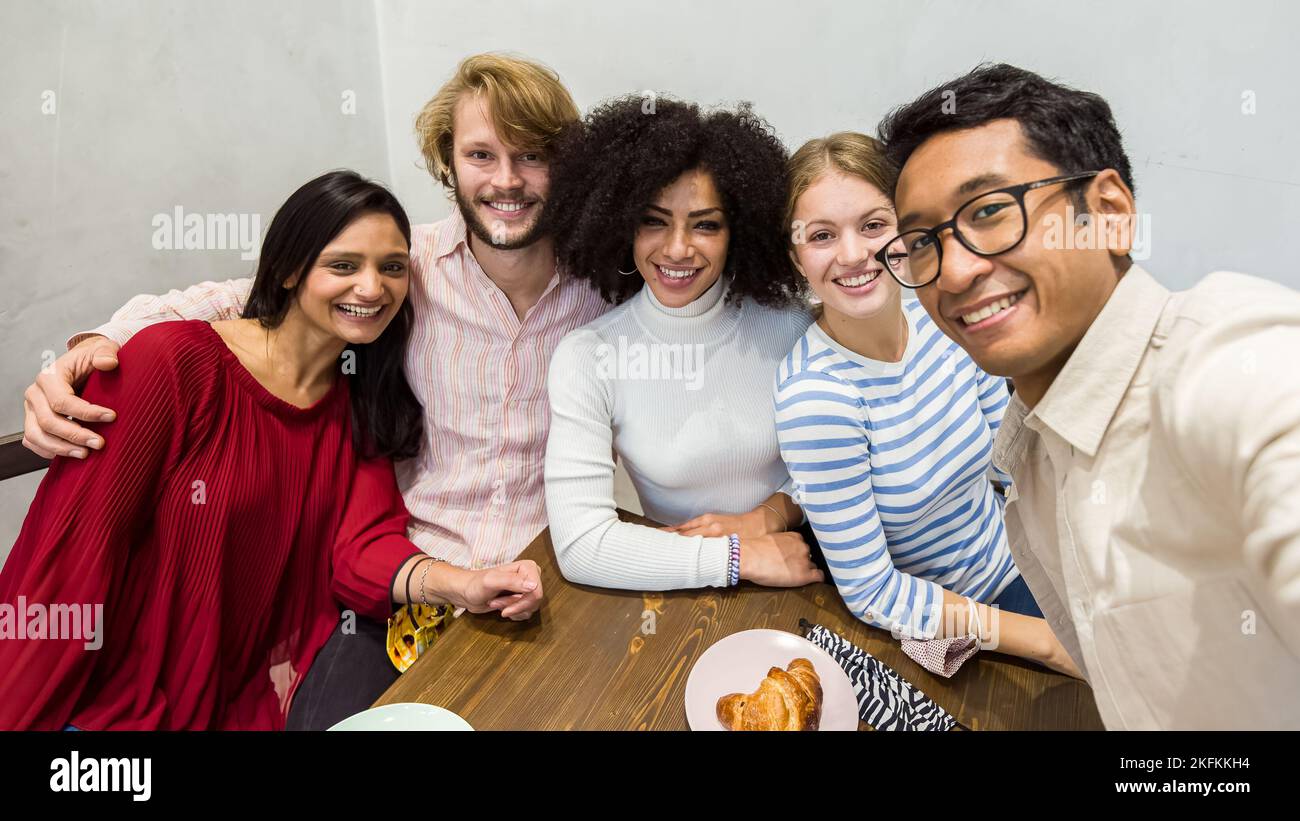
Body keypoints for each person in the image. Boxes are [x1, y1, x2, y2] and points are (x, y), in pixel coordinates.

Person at [17, 53, 604, 728]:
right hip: (394, 588)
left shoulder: (608, 289)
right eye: (481, 154)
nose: (506, 180)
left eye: (532, 155)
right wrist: (97, 341)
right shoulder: (405, 266)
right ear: (449, 162)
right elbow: (253, 292)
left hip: (553, 583)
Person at [876, 63, 1300, 728]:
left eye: (990, 211)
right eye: (923, 241)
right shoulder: (1033, 446)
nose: (954, 271)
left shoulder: (1224, 363)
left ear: (1107, 213)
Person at [775, 132, 1078, 676]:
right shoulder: (815, 398)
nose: (853, 255)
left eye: (873, 225)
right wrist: (1045, 640)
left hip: (1031, 560)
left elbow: (1010, 463)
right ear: (796, 259)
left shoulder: (937, 311)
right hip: (969, 623)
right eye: (822, 236)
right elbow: (873, 590)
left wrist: (1068, 562)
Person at [543, 96, 821, 591]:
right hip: (678, 591)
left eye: (705, 225)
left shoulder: (792, 325)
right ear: (620, 223)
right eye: (654, 220)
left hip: (804, 564)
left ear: (738, 232)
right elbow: (582, 546)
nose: (676, 248)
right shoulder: (588, 356)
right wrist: (735, 556)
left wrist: (770, 516)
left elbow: (841, 462)